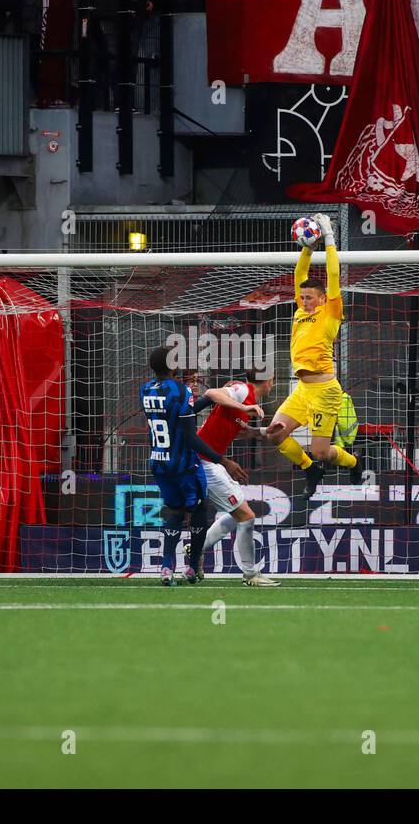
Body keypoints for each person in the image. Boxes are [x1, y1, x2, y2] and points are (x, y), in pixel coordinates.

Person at [260, 213, 364, 496]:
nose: (304, 301)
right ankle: (310, 470)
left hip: (325, 392)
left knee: (322, 451)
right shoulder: (299, 312)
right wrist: (308, 248)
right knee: (276, 433)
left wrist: (328, 237)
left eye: (309, 298)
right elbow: (299, 276)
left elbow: (332, 275)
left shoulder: (330, 314)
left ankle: (354, 463)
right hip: (303, 390)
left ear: (322, 299)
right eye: (302, 297)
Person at [141, 346, 250, 586]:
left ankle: (166, 567)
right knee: (199, 511)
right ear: (172, 365)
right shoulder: (181, 391)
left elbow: (174, 415)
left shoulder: (146, 389)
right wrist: (223, 460)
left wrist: (204, 399)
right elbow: (190, 436)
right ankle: (191, 568)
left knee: (174, 511)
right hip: (184, 464)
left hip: (159, 462)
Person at [193, 370, 280, 586]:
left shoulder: (249, 401)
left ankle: (197, 548)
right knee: (246, 516)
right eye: (273, 381)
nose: (272, 385)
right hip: (204, 462)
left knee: (238, 514)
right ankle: (250, 575)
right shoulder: (242, 391)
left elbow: (240, 430)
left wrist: (264, 431)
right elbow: (212, 393)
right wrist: (243, 407)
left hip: (213, 462)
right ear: (268, 381)